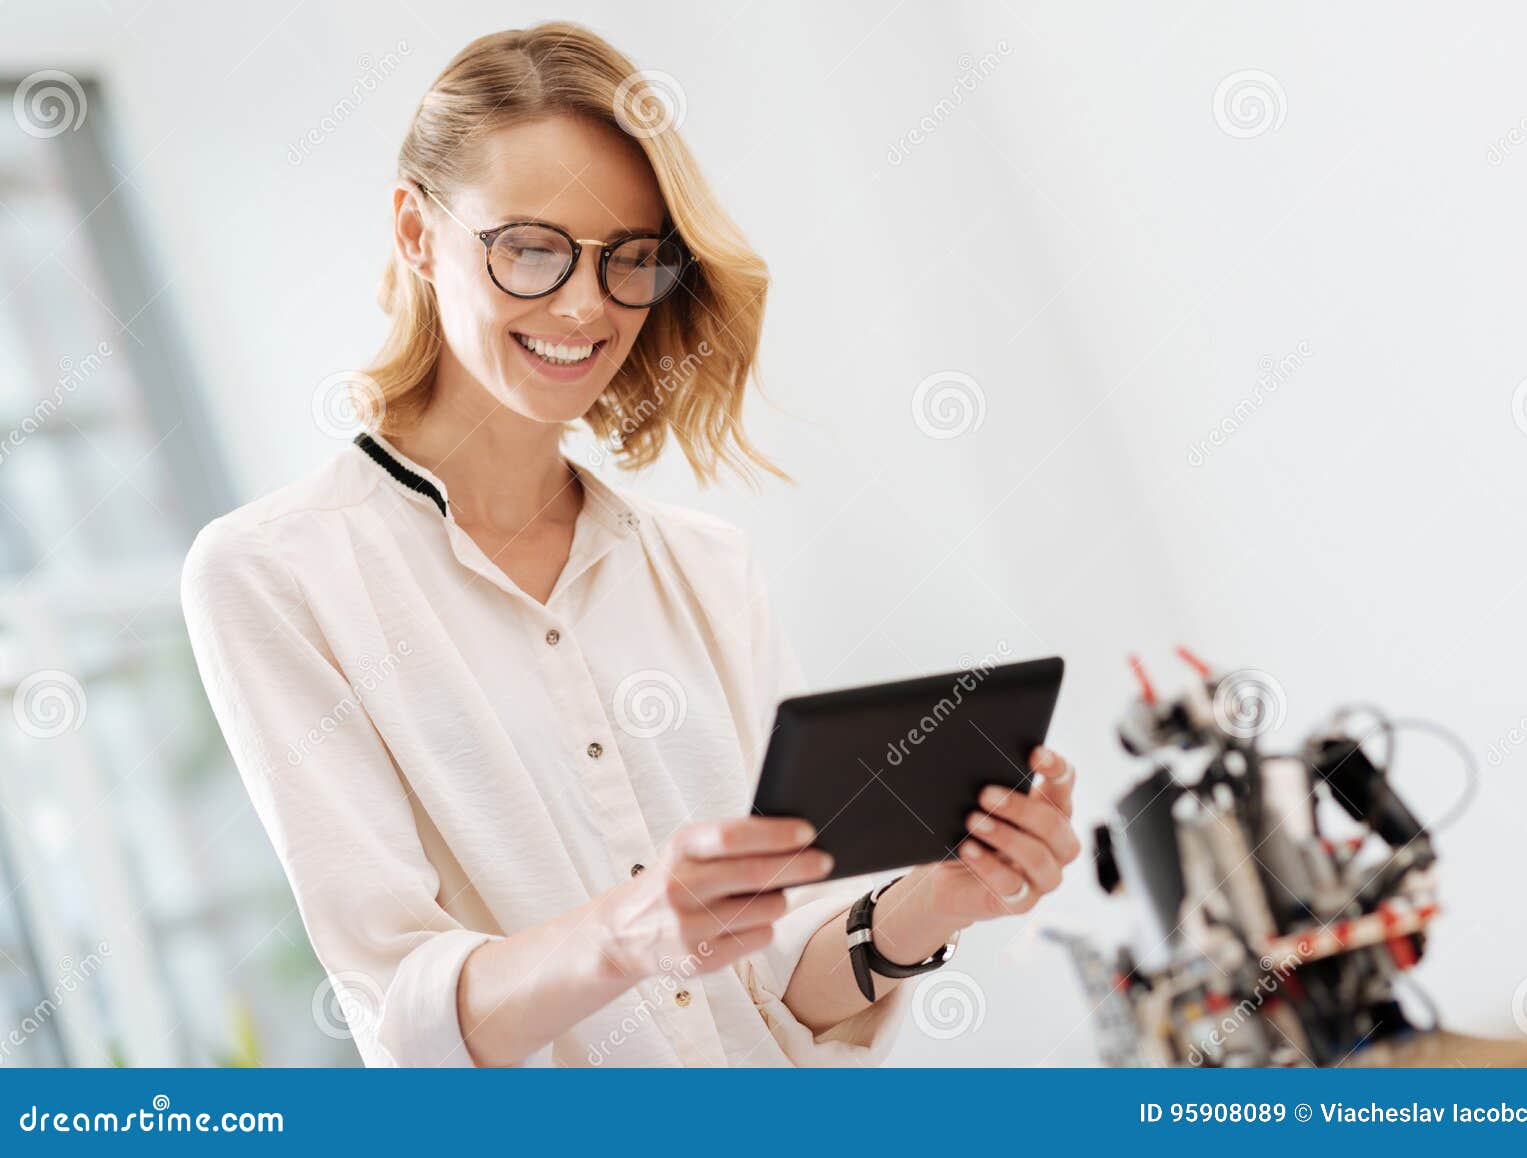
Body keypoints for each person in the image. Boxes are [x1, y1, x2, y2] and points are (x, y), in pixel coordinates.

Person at [180, 21, 1081, 1067]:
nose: (583, 304)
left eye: (630, 259)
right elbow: (404, 1020)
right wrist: (631, 932)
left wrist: (939, 900)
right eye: (528, 248)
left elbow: (787, 987)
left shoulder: (703, 568)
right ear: (417, 234)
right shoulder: (274, 577)